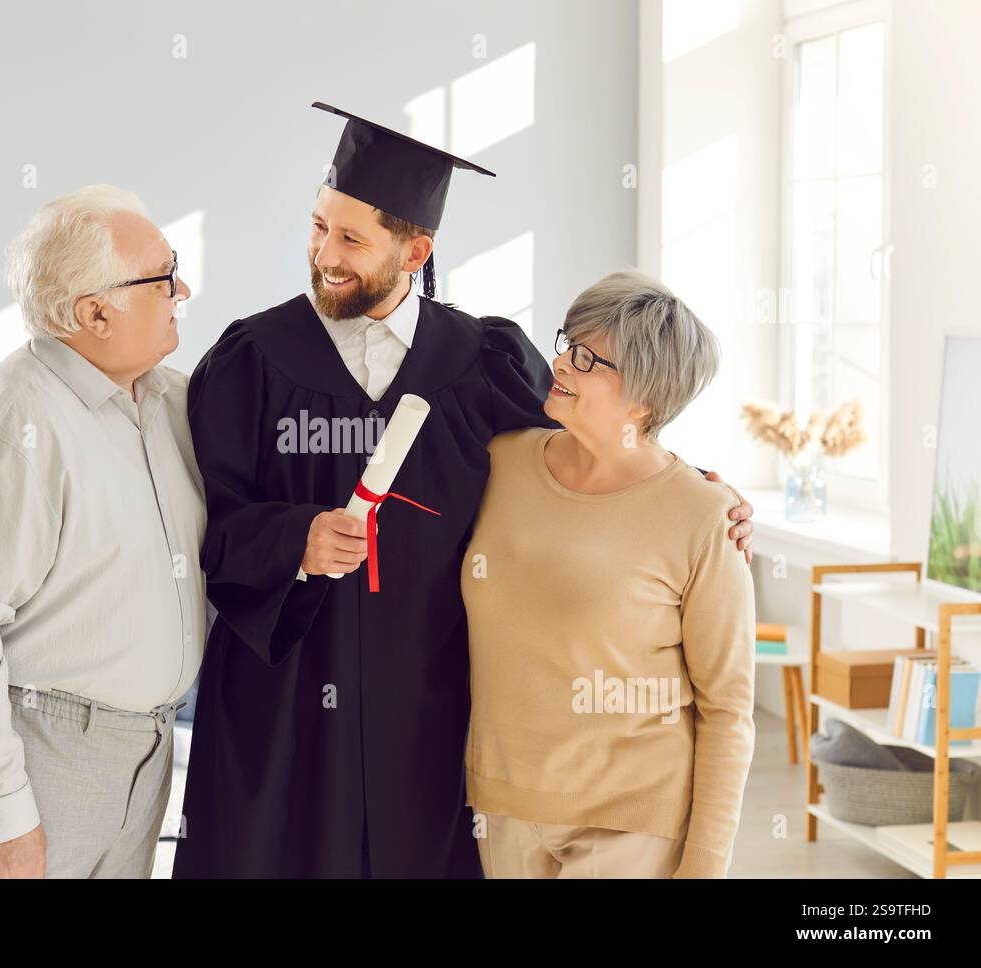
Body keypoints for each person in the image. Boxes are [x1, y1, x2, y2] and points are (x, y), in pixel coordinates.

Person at [172, 105, 756, 878]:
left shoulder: (484, 362)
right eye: (318, 227)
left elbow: (596, 445)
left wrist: (709, 495)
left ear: (416, 249)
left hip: (435, 708)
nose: (324, 255)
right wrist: (295, 541)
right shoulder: (251, 361)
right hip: (287, 708)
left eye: (351, 238)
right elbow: (208, 532)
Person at [0, 184, 204, 878]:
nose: (181, 288)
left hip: (144, 756)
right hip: (37, 759)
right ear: (95, 312)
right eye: (163, 277)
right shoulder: (10, 424)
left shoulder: (171, 403)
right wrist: (3, 820)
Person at [463, 271, 756, 878]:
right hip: (502, 806)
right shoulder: (500, 460)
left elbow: (728, 708)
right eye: (567, 344)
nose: (562, 364)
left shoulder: (706, 516)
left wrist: (703, 866)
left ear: (647, 398)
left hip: (634, 822)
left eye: (589, 359)